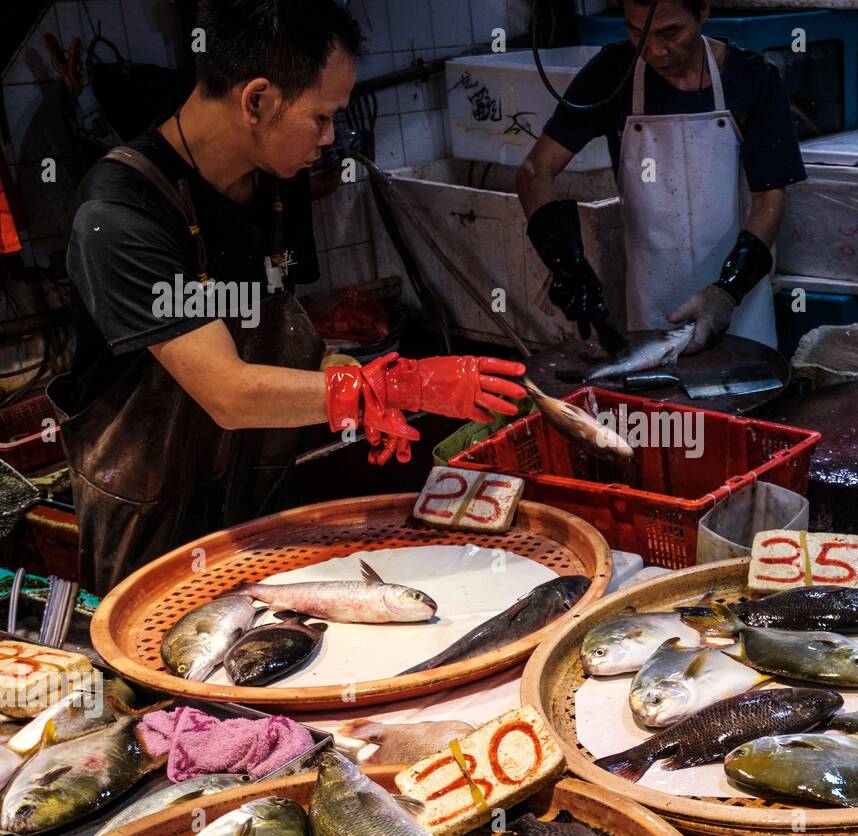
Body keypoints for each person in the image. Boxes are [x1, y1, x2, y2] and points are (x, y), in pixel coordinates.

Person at [53, 0, 525, 596]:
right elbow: (229, 391)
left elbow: (285, 336)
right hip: (153, 535)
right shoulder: (121, 215)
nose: (330, 139)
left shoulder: (276, 182)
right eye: (322, 117)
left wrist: (347, 379)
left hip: (263, 513)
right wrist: (389, 387)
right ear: (257, 101)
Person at [516, 0, 807, 354]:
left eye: (670, 32)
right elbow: (535, 170)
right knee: (662, 409)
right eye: (637, 32)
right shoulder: (612, 74)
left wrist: (726, 292)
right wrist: (563, 261)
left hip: (739, 303)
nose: (654, 50)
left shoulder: (752, 78)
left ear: (702, 10)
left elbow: (769, 200)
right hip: (652, 311)